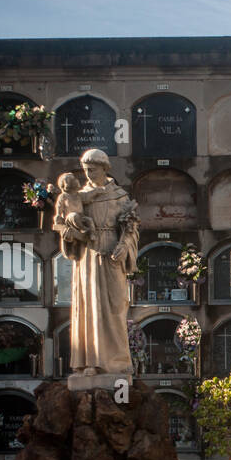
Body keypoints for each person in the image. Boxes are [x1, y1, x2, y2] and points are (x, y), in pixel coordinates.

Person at [54, 149, 139, 378]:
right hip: (88, 256)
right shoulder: (78, 196)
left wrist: (125, 245)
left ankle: (118, 362)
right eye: (85, 170)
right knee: (90, 309)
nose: (88, 173)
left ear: (104, 168)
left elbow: (131, 227)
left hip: (112, 253)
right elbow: (64, 224)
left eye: (92, 169)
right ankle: (90, 362)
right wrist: (70, 234)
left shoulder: (119, 196)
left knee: (114, 307)